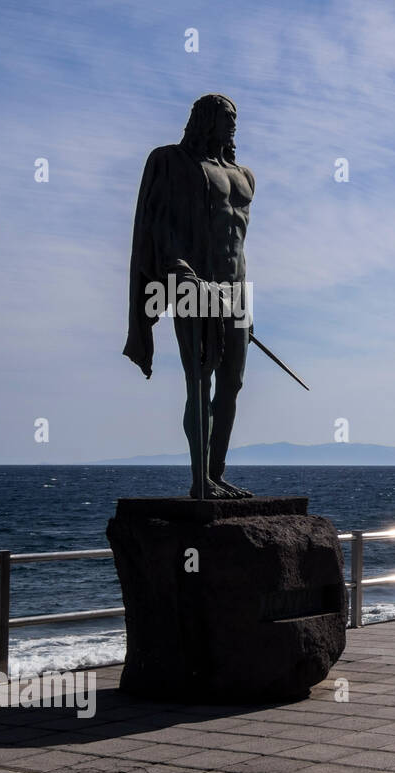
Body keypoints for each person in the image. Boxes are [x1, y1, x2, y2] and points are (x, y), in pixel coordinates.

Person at [125, 94, 255, 499]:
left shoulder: (245, 175)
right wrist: (175, 267)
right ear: (204, 119)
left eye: (234, 117)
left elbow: (238, 240)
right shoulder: (173, 162)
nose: (231, 123)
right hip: (194, 284)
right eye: (223, 116)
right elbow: (157, 223)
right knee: (198, 381)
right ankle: (200, 482)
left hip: (238, 289)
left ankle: (216, 474)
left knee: (232, 383)